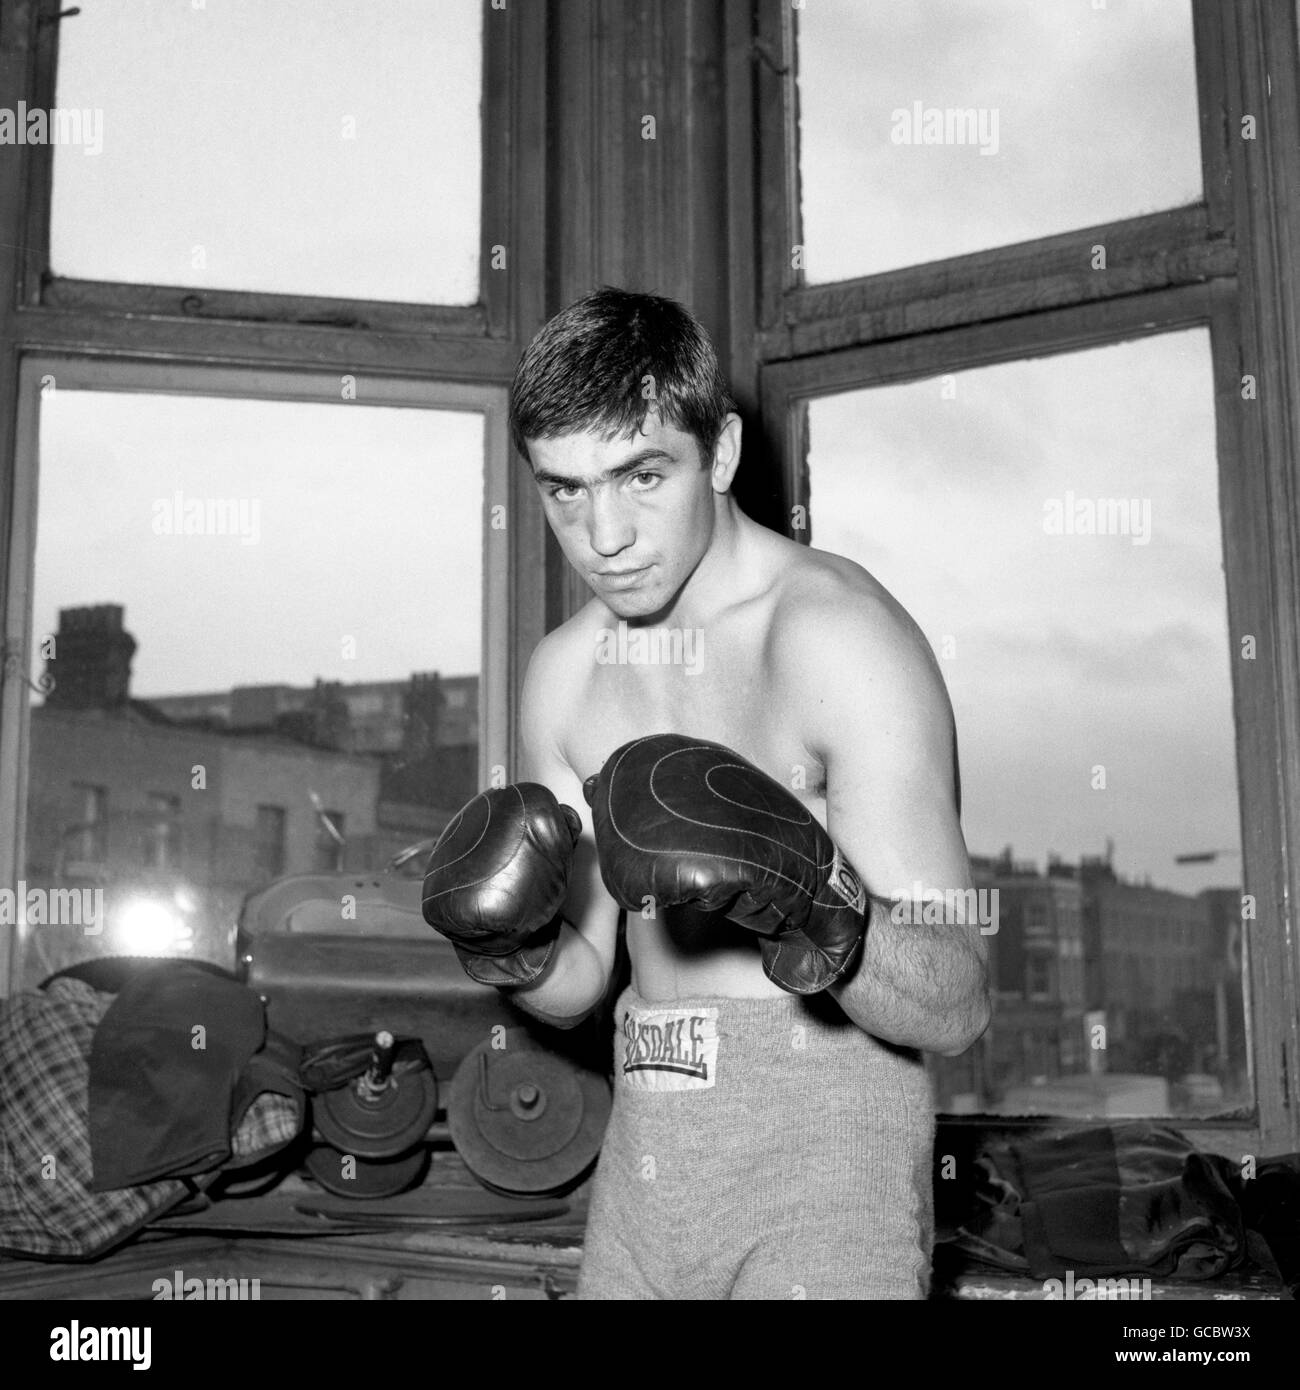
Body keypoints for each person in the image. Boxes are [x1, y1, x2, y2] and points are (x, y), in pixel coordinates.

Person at [422, 286, 990, 1299]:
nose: (603, 534)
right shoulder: (562, 675)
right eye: (563, 490)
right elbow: (583, 978)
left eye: (641, 476)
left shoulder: (837, 638)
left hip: (824, 1152)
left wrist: (816, 903)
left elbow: (955, 1001)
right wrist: (510, 947)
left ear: (720, 452)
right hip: (646, 1151)